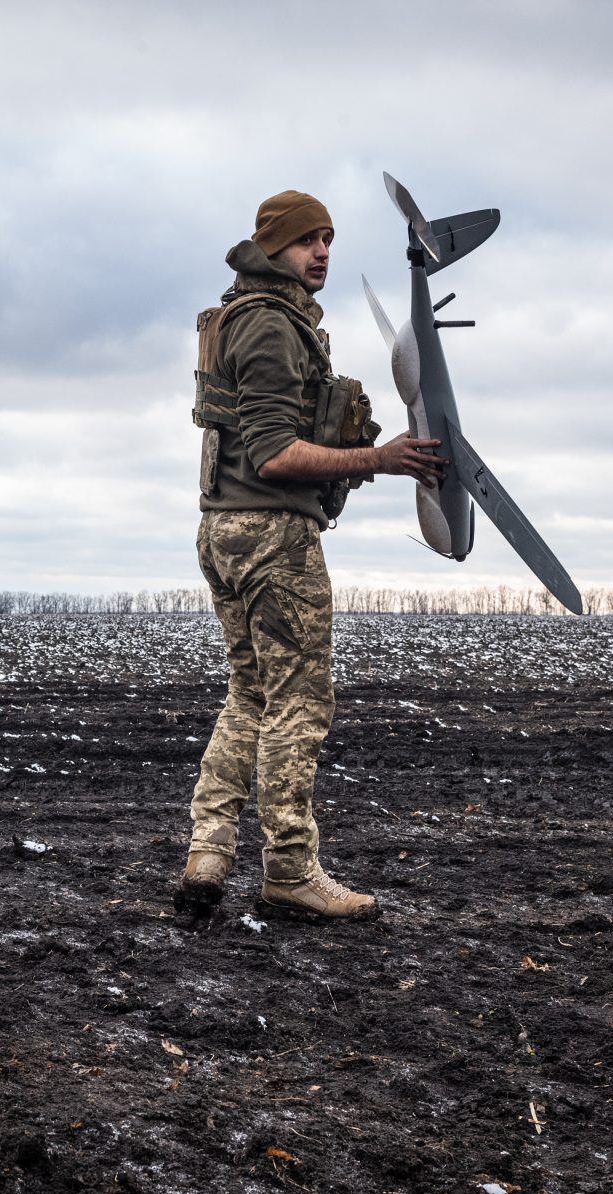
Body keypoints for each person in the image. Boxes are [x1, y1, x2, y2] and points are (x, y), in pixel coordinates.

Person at [178, 189, 445, 922]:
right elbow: (272, 455)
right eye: (306, 241)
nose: (322, 252)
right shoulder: (269, 328)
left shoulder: (246, 315)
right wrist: (380, 459)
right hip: (270, 536)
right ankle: (290, 870)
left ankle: (209, 851)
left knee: (250, 694)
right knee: (297, 702)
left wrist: (356, 457)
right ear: (274, 248)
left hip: (223, 530)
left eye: (328, 239)